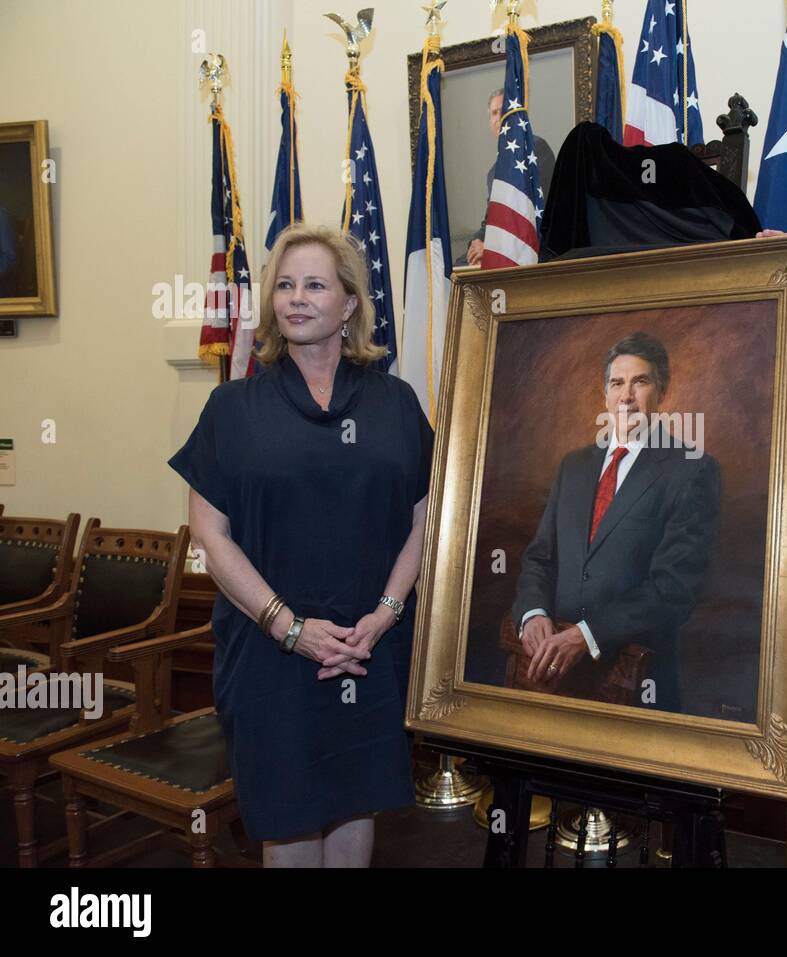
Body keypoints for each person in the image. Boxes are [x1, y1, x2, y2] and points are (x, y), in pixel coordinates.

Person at [169, 223, 433, 867]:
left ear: (349, 304)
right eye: (285, 285)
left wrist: (386, 615)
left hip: (370, 648)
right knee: (287, 815)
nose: (296, 297)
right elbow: (210, 535)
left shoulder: (395, 404)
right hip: (269, 657)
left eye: (316, 284)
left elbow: (428, 519)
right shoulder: (232, 409)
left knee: (354, 799)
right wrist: (290, 629)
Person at [510, 332, 721, 713]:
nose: (626, 396)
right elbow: (540, 558)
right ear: (605, 393)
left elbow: (673, 589)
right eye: (616, 383)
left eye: (640, 381)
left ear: (663, 389)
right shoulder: (573, 467)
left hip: (634, 683)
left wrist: (586, 636)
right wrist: (533, 613)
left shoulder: (692, 470)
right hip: (549, 674)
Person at [463, 87, 555, 266]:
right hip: (505, 244)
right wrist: (476, 242)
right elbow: (491, 217)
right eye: (494, 113)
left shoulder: (536, 149)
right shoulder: (494, 172)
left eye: (503, 111)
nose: (499, 118)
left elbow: (530, 213)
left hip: (536, 245)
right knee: (459, 265)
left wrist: (490, 247)